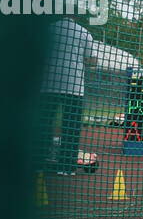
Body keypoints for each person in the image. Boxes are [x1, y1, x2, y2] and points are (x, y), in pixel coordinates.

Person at [38, 14, 98, 176]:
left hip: (48, 85)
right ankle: (66, 167)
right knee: (70, 128)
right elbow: (93, 61)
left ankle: (39, 162)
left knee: (44, 125)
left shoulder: (48, 29)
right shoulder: (84, 32)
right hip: (74, 87)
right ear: (75, 15)